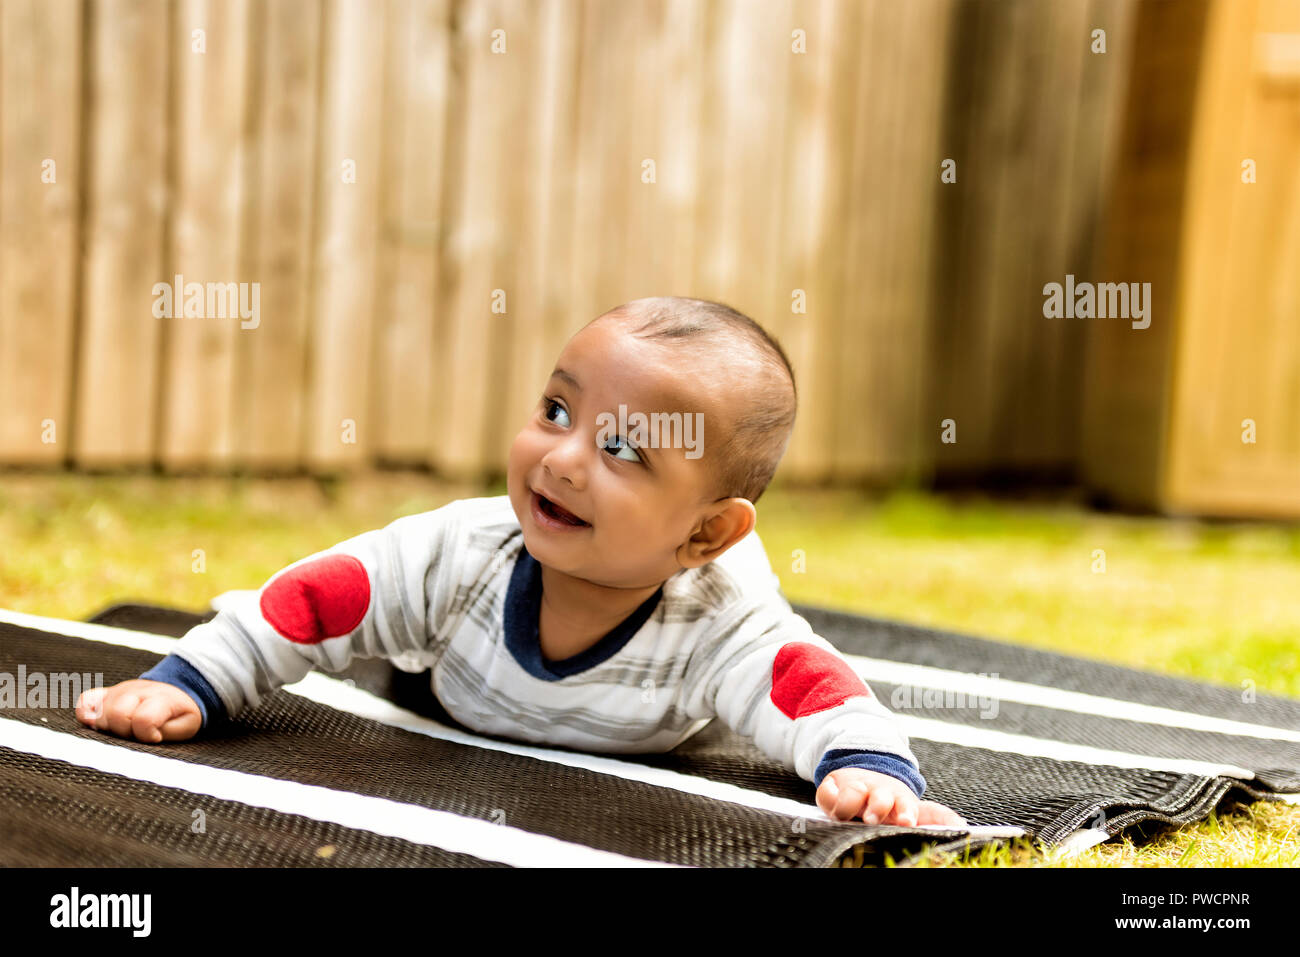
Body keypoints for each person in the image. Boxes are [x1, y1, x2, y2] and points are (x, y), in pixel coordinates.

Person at [76, 296, 967, 829]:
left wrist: (868, 773)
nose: (564, 458)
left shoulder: (719, 615)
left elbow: (812, 688)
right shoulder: (460, 552)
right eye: (554, 409)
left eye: (623, 450)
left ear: (703, 536)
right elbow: (318, 600)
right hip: (445, 692)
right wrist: (195, 680)